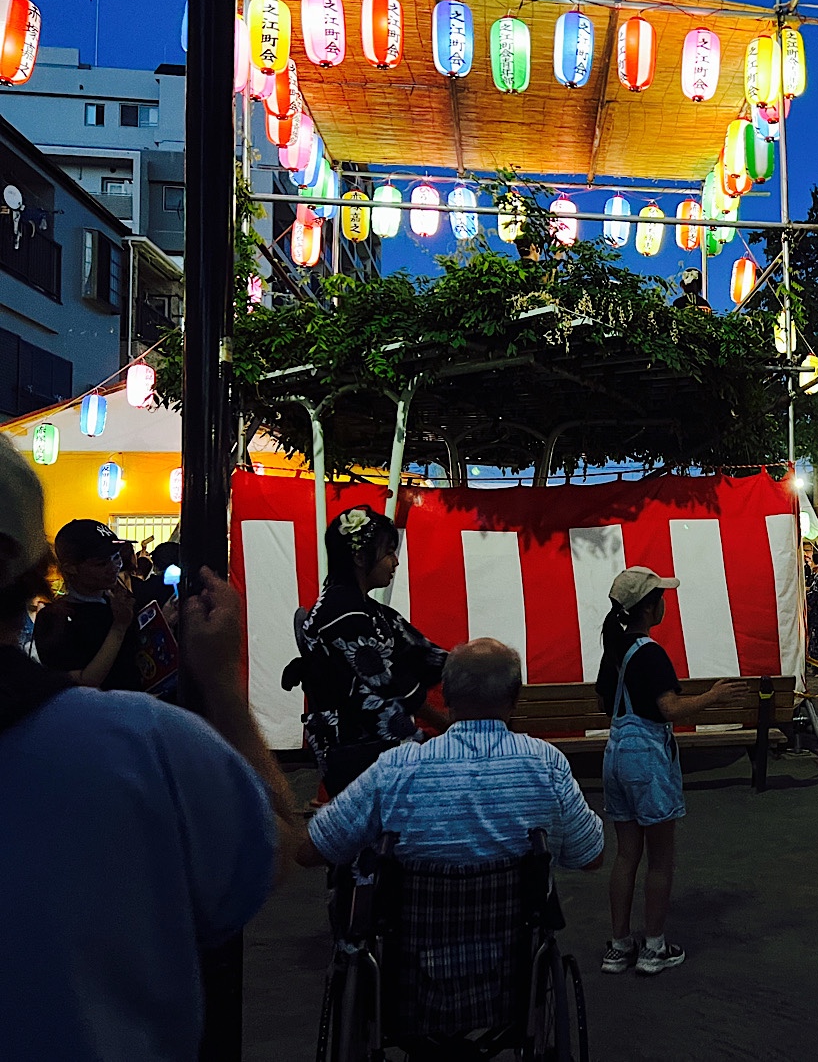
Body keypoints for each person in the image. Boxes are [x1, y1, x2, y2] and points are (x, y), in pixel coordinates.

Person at [0, 440, 301, 1061]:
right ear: (40, 566)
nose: (112, 566)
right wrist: (221, 686)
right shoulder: (147, 746)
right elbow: (277, 845)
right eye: (100, 558)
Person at [297, 638, 605, 871]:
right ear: (514, 701)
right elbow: (590, 856)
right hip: (518, 935)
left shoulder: (396, 767)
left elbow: (311, 850)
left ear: (445, 696)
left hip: (415, 936)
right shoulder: (547, 763)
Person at [597, 567, 749, 975]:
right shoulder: (650, 652)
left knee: (626, 853)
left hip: (615, 753)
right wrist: (714, 697)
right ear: (649, 608)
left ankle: (619, 946)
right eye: (660, 598)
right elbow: (670, 708)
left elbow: (604, 703)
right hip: (646, 757)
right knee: (661, 857)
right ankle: (654, 947)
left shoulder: (614, 650)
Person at [288, 506, 450, 796]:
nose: (395, 561)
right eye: (388, 552)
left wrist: (467, 670)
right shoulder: (343, 614)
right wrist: (445, 725)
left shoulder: (363, 610)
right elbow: (390, 684)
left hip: (370, 740)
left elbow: (419, 651)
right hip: (355, 745)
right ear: (360, 558)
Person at [33, 518, 144, 692]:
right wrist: (119, 627)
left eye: (116, 557)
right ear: (71, 568)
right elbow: (83, 684)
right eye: (101, 563)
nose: (114, 567)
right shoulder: (55, 618)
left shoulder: (118, 602)